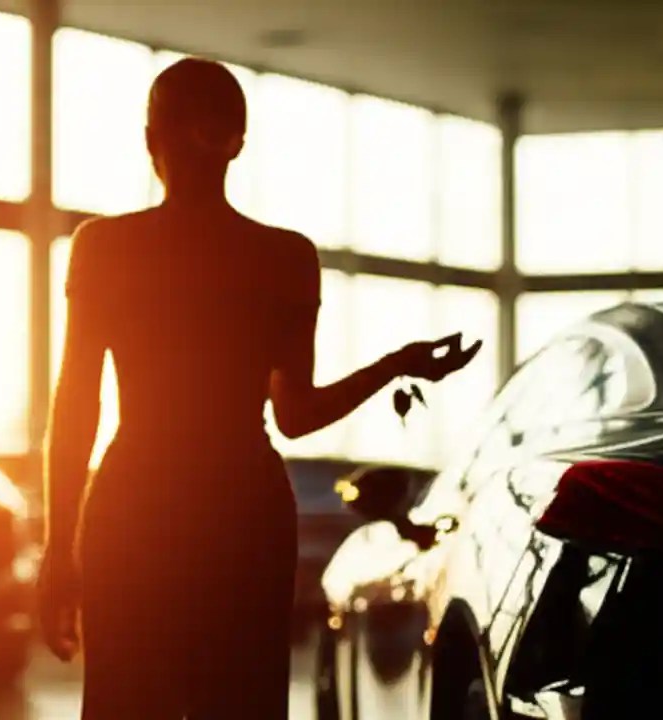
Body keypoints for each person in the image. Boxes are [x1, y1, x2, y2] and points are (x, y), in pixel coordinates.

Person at [41, 57, 482, 719]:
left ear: (149, 140)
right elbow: (297, 413)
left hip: (135, 507)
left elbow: (77, 403)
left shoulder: (104, 248)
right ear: (237, 144)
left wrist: (58, 550)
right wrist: (394, 364)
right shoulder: (284, 258)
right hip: (242, 510)